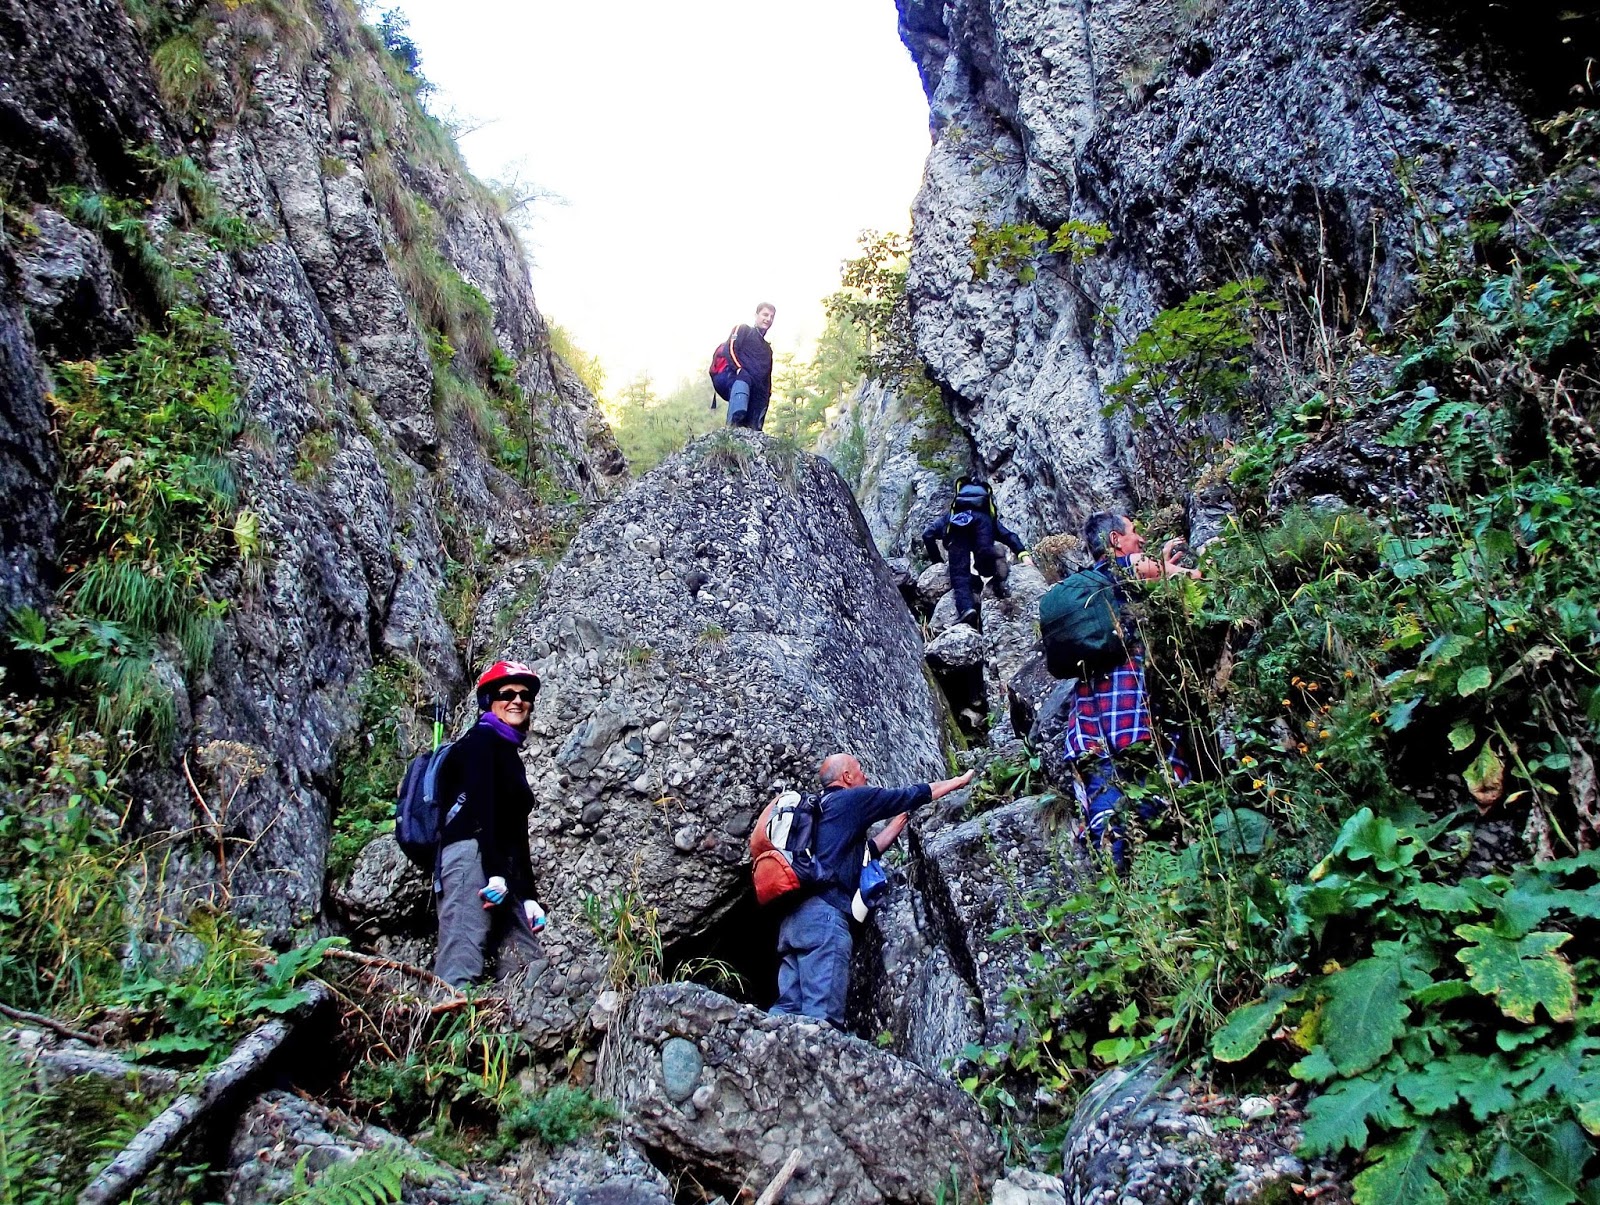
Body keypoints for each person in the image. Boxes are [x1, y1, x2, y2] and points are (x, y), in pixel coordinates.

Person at [770, 755, 975, 1028]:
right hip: (825, 921)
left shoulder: (820, 811)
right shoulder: (853, 799)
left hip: (793, 923)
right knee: (820, 1022)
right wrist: (958, 781)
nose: (865, 776)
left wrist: (898, 824)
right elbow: (912, 795)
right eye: (860, 770)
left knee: (784, 1016)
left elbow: (862, 853)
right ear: (847, 777)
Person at [1064, 513, 1201, 871]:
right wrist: (1183, 569)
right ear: (1115, 540)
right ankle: (1177, 881)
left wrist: (1161, 567)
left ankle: (1122, 889)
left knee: (1108, 818)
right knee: (1163, 804)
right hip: (1132, 714)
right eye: (1134, 531)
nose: (1140, 538)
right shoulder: (1128, 565)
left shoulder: (1086, 588)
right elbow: (1192, 579)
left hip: (1089, 726)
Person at [434, 660, 547, 988]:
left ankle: (517, 1013)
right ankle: (446, 1016)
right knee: (461, 957)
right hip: (469, 856)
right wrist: (495, 873)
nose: (518, 701)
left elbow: (516, 833)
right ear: (489, 701)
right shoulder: (480, 743)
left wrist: (528, 897)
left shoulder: (508, 753)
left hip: (498, 864)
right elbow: (482, 810)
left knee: (527, 964)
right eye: (507, 694)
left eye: (525, 696)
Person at [921, 477, 1029, 629]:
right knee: (988, 561)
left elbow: (927, 534)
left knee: (960, 576)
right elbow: (1008, 536)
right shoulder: (987, 517)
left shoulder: (952, 516)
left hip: (957, 531)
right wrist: (1023, 554)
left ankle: (967, 609)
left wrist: (937, 562)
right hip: (984, 537)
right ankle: (997, 585)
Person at [725, 303, 776, 431]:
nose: (768, 319)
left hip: (759, 394)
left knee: (754, 430)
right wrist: (739, 370)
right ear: (756, 315)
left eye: (771, 316)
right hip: (741, 382)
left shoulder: (768, 349)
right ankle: (730, 434)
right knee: (737, 420)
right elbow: (730, 349)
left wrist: (767, 394)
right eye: (765, 315)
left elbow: (767, 375)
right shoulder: (742, 330)